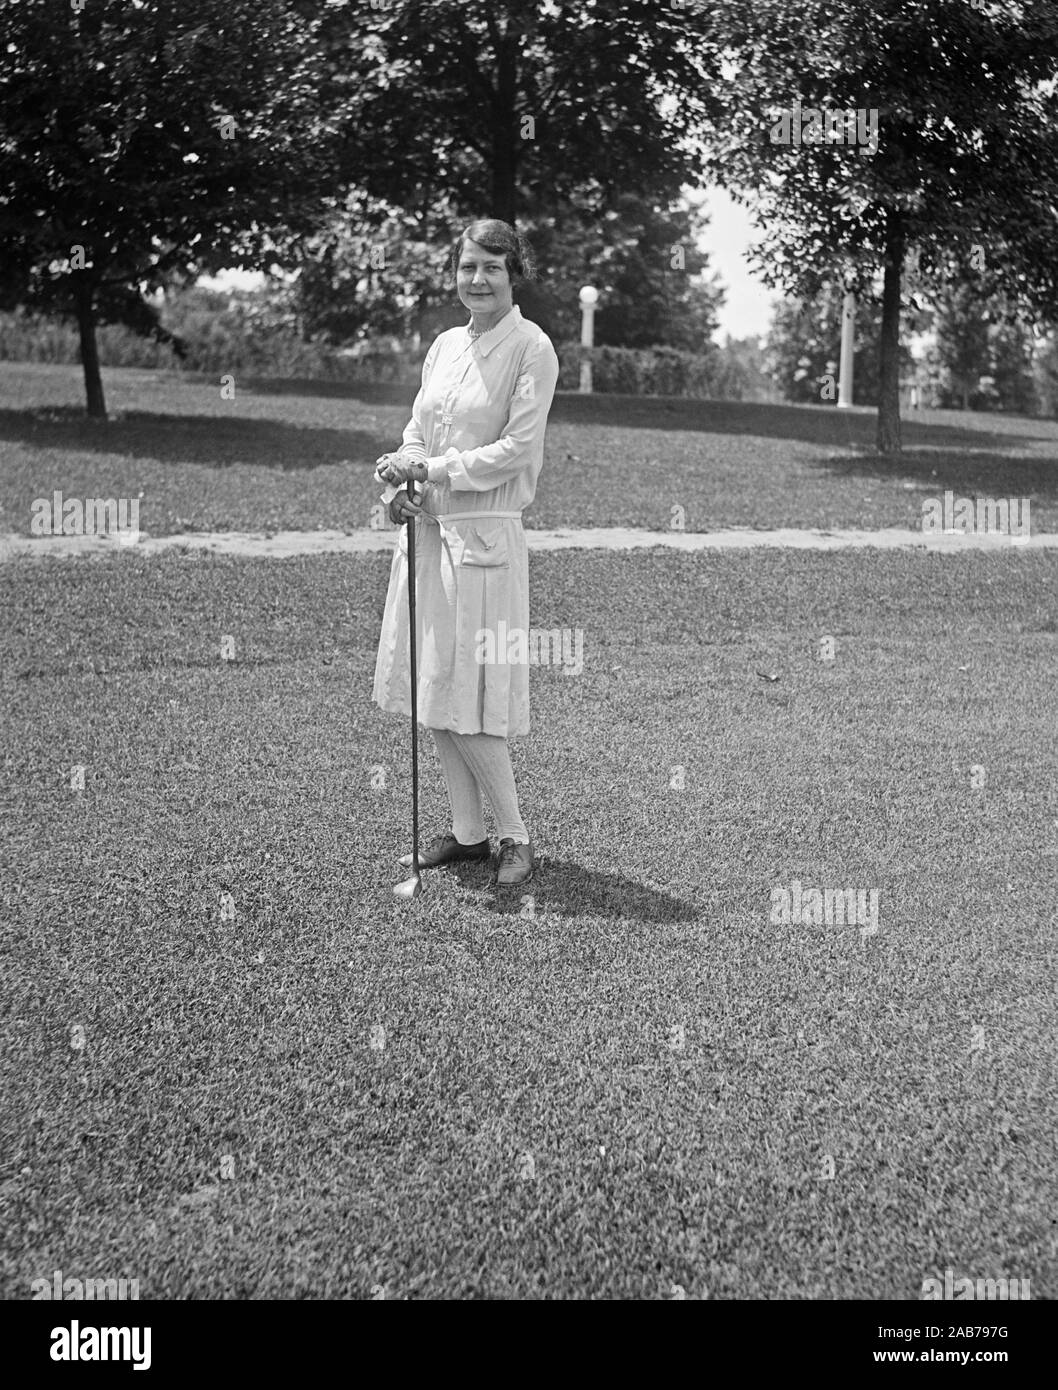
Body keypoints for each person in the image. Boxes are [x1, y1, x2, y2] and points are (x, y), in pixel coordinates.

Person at [372, 218, 560, 888]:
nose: (476, 280)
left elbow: (516, 449)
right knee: (435, 693)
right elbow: (418, 429)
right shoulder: (446, 345)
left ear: (515, 275)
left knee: (475, 701)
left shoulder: (532, 349)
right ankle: (467, 833)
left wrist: (436, 472)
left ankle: (515, 838)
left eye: (491, 268)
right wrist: (403, 475)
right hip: (428, 535)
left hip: (485, 542)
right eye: (466, 267)